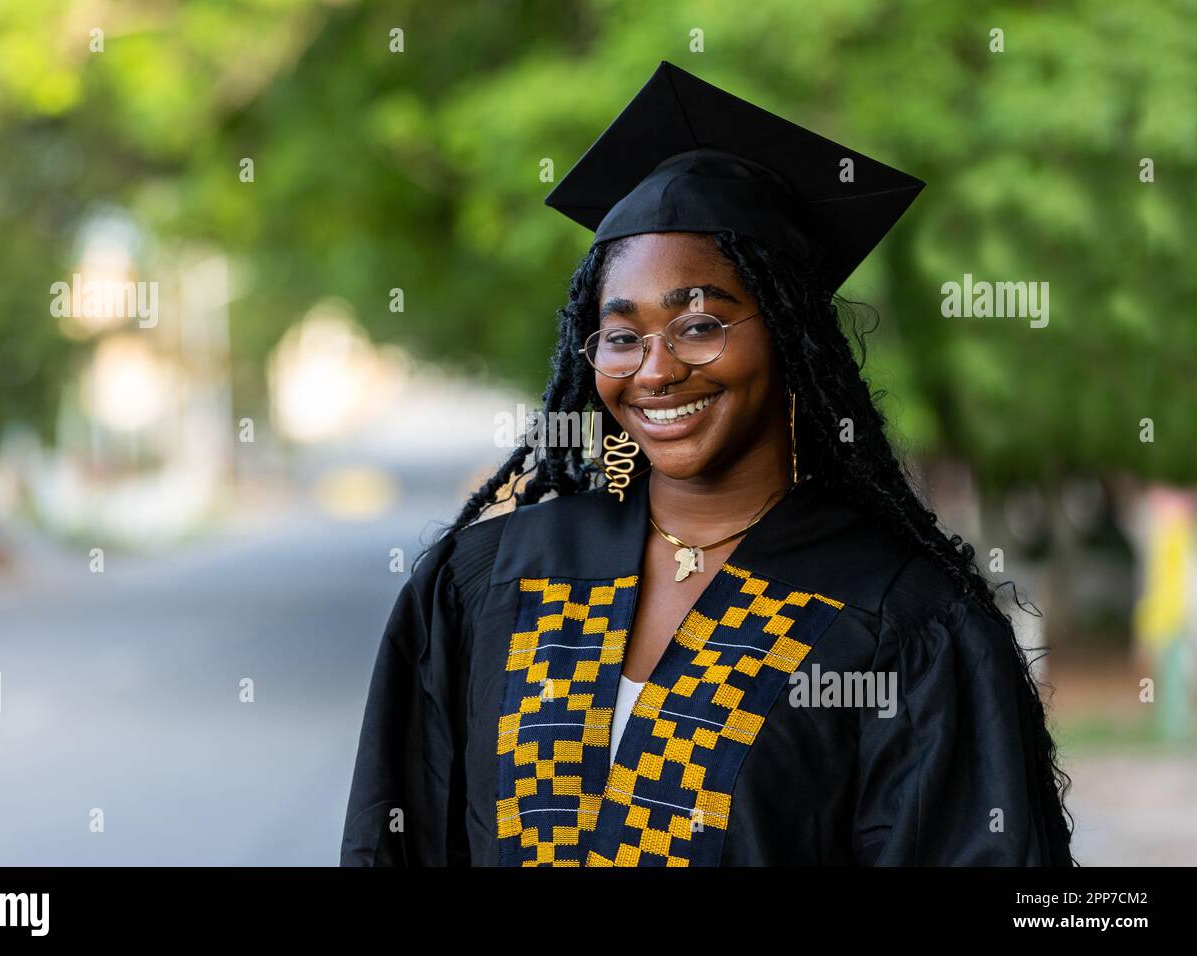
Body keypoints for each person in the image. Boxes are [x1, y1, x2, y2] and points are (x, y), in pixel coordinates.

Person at [340, 61, 1075, 866]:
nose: (654, 370)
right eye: (622, 336)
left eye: (699, 325)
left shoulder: (899, 623)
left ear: (790, 336)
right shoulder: (484, 583)